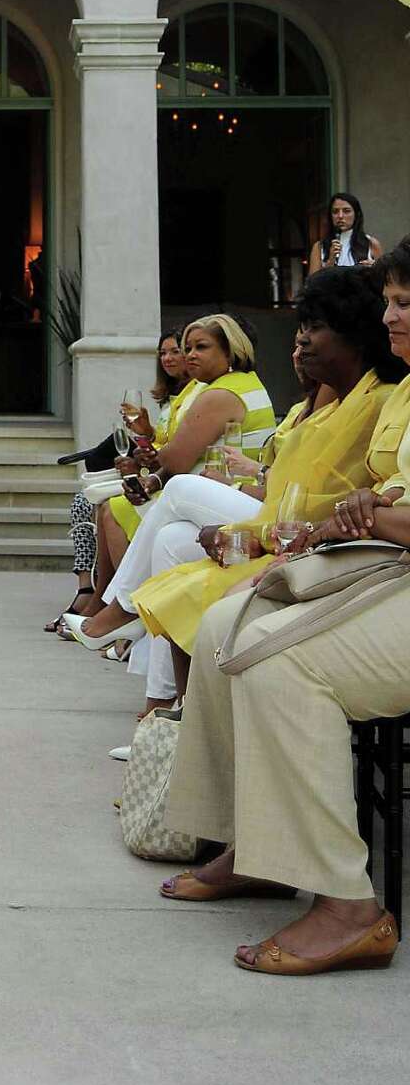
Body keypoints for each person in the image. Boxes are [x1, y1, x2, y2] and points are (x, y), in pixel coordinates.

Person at [160, 239, 410, 975]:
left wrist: (367, 514)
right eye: (387, 301)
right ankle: (259, 842)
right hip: (388, 563)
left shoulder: (380, 392)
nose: (387, 315)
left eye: (400, 302)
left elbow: (383, 501)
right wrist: (362, 514)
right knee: (221, 627)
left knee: (277, 661)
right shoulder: (402, 390)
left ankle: (348, 903)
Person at [128, 265, 405, 695]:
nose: (301, 342)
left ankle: (118, 619)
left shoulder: (377, 400)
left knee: (200, 588)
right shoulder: (330, 406)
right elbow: (297, 495)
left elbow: (332, 501)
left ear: (353, 333)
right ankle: (168, 717)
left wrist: (257, 534)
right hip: (300, 541)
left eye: (314, 328)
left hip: (334, 554)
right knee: (172, 562)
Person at [64, 312, 276, 651]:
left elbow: (177, 460)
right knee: (165, 536)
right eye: (187, 347)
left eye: (201, 347)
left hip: (240, 499)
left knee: (141, 501)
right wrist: (153, 465)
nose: (189, 355)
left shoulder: (221, 394)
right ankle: (158, 692)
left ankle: (118, 611)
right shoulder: (219, 387)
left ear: (230, 351)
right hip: (224, 493)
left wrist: (154, 461)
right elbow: (173, 450)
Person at [46, 329, 190, 633]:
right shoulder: (172, 399)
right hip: (158, 477)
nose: (169, 358)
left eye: (177, 351)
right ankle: (89, 590)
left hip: (174, 484)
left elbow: (176, 453)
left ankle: (111, 605)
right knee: (83, 504)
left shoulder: (200, 398)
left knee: (107, 508)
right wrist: (142, 447)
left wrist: (145, 448)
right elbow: (159, 448)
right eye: (163, 353)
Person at [309, 191, 382, 273]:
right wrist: (330, 261)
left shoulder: (371, 243)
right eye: (335, 212)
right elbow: (312, 283)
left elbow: (384, 280)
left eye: (346, 211)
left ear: (356, 214)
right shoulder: (319, 247)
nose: (340, 216)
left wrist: (374, 270)